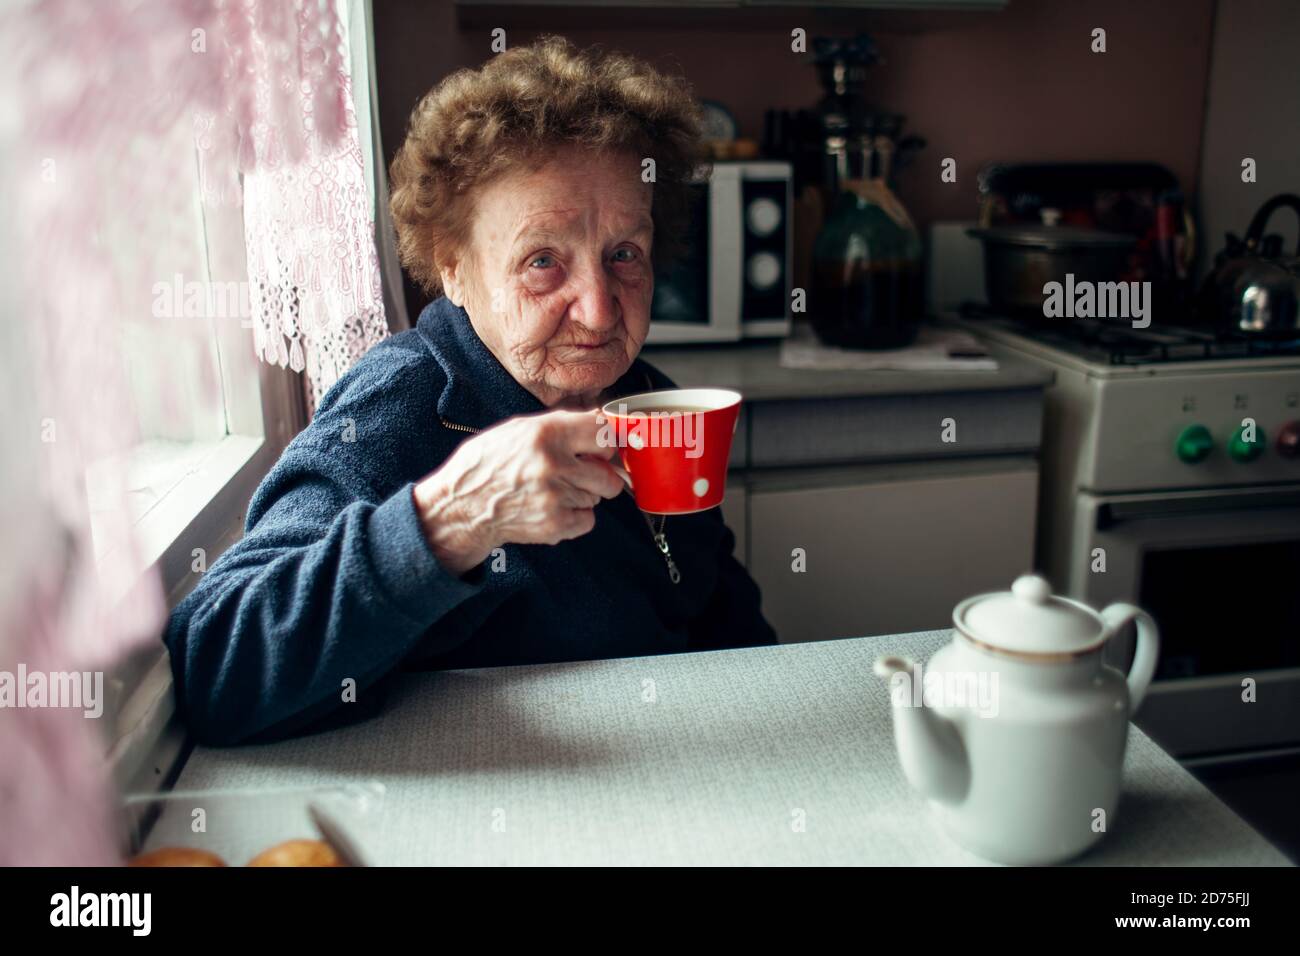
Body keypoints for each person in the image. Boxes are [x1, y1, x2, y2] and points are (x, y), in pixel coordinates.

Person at [165, 36, 777, 746]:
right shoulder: (399, 408)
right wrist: (453, 518)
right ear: (453, 269)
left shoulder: (648, 399)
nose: (601, 311)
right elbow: (213, 660)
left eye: (623, 256)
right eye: (542, 261)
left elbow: (730, 629)